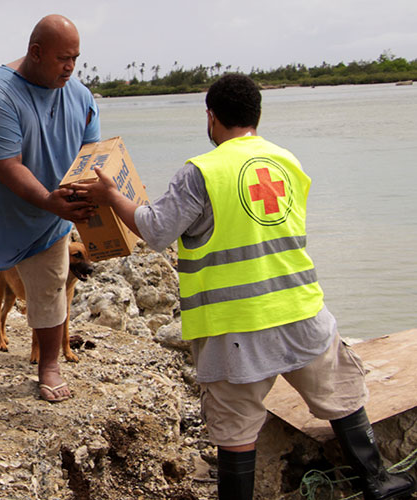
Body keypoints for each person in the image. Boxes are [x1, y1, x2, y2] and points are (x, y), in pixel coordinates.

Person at [72, 74, 415, 500]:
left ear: (211, 117)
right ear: (257, 114)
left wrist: (111, 195)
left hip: (233, 324)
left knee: (236, 426)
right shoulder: (287, 161)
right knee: (340, 392)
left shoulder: (200, 172)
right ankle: (379, 482)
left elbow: (155, 230)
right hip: (300, 310)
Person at [0, 14, 100, 402]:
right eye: (63, 58)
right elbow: (7, 166)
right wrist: (49, 200)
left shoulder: (80, 96)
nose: (71, 67)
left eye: (76, 57)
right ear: (35, 52)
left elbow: (92, 156)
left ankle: (48, 367)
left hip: (46, 217)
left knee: (49, 290)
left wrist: (98, 200)